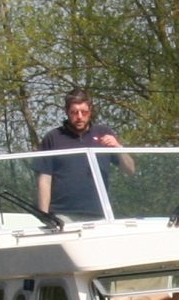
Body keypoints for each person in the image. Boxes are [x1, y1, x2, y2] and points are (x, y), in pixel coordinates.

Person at [34, 88, 132, 217]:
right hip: (62, 215)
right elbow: (44, 180)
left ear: (90, 111)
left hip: (100, 214)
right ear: (67, 112)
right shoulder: (53, 138)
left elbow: (130, 169)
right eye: (74, 112)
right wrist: (44, 216)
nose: (79, 117)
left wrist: (118, 147)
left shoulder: (104, 133)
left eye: (84, 112)